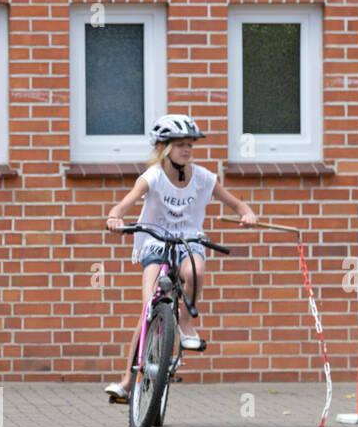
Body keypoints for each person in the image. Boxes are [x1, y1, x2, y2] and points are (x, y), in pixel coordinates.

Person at [104, 114, 256, 401]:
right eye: (180, 145)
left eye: (189, 145)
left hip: (188, 241)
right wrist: (115, 217)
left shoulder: (202, 177)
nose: (186, 150)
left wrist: (245, 213)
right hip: (155, 242)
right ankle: (127, 380)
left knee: (195, 272)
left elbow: (236, 203)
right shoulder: (153, 177)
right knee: (148, 308)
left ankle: (186, 323)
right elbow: (124, 204)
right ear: (164, 148)